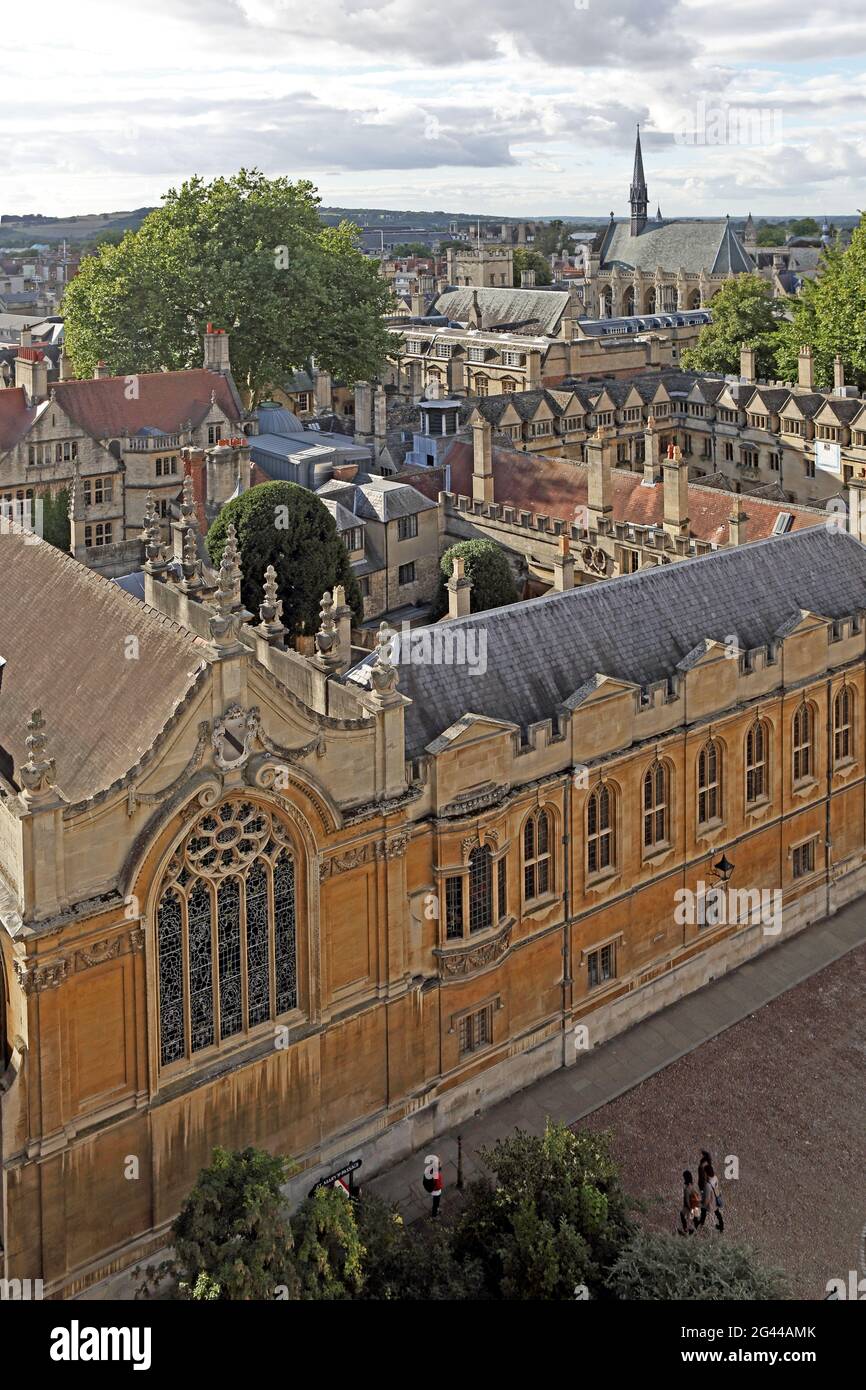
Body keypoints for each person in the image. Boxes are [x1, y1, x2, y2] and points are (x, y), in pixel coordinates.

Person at [699, 1162, 724, 1233]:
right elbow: (716, 1187)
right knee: (717, 1213)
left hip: (711, 1203)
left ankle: (700, 1224)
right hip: (716, 1198)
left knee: (703, 1211)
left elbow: (706, 1200)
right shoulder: (715, 1177)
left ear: (706, 1173)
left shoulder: (707, 1185)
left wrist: (700, 1203)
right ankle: (721, 1226)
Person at [679, 1169, 700, 1235]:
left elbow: (687, 1200)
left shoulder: (687, 1188)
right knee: (695, 1220)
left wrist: (689, 1208)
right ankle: (695, 1232)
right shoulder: (693, 1186)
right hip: (695, 1206)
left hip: (689, 1207)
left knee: (682, 1215)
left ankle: (686, 1230)